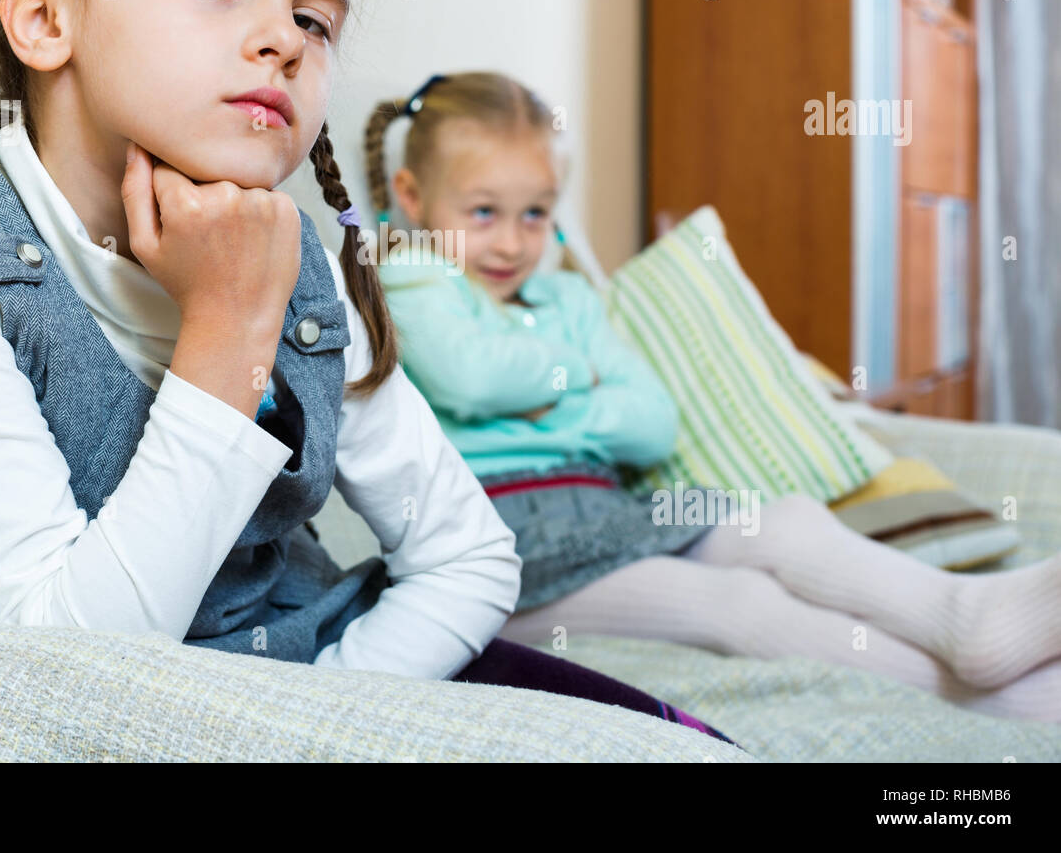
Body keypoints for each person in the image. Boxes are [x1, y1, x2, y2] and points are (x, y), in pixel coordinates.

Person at [0, 0, 735, 745]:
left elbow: (468, 556)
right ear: (45, 19)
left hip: (335, 669)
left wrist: (332, 713)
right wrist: (226, 328)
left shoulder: (301, 260)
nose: (285, 38)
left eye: (314, 17)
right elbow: (68, 669)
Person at [368, 70, 1061, 723]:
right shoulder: (413, 278)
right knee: (737, 602)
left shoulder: (569, 297)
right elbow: (472, 376)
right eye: (484, 212)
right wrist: (579, 374)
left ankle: (967, 618)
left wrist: (551, 398)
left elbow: (652, 425)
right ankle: (985, 702)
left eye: (536, 215)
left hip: (608, 511)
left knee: (786, 523)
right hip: (499, 547)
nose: (513, 243)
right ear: (411, 197)